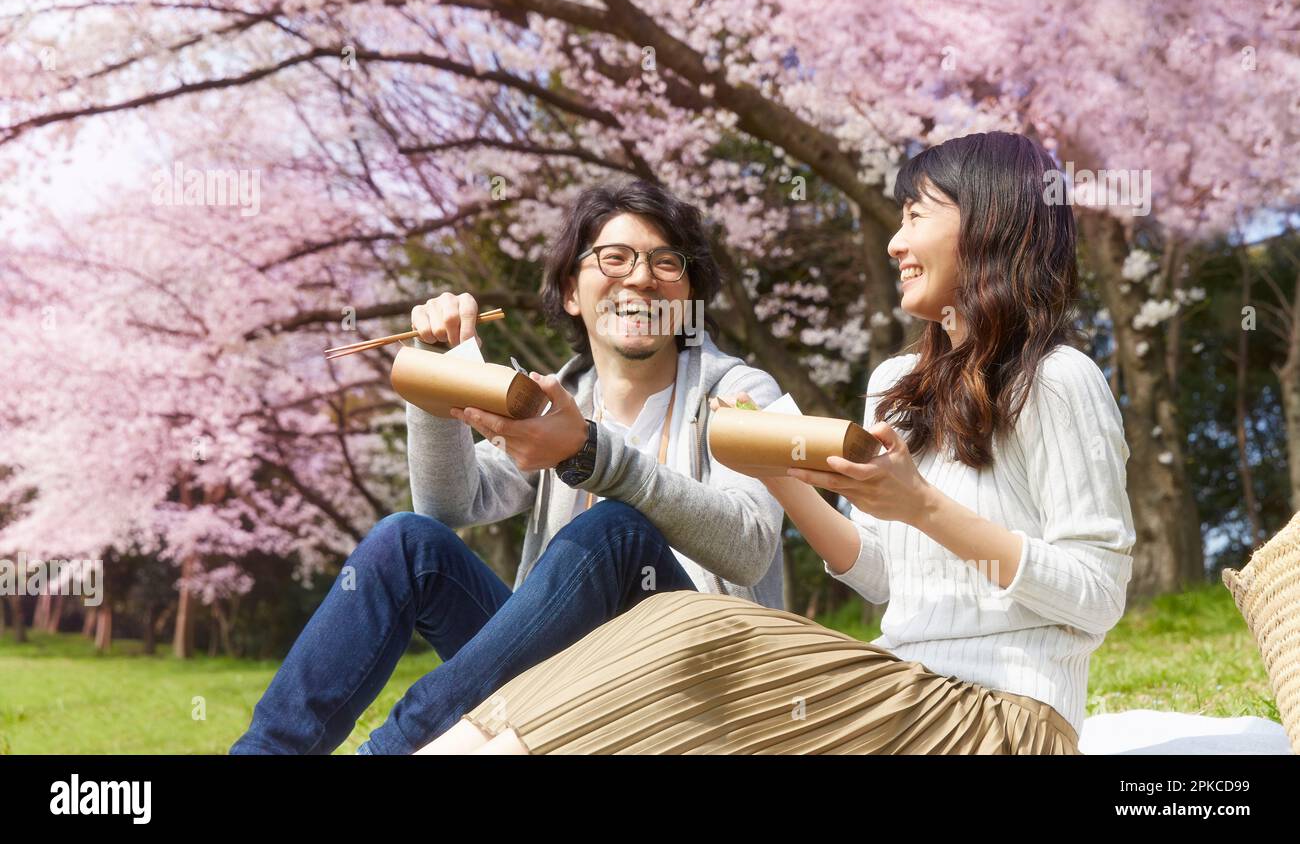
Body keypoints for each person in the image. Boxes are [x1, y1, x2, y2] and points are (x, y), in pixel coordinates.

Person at [415, 131, 1136, 755]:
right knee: (664, 621)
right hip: (899, 686)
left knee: (690, 621)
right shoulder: (898, 382)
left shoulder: (1056, 380)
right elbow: (884, 577)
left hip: (1002, 718)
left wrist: (921, 505)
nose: (895, 241)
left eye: (916, 215)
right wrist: (781, 473)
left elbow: (1098, 593)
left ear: (990, 224)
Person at [230, 180, 785, 755]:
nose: (640, 278)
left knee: (616, 531)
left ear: (690, 293)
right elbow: (450, 507)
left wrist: (590, 454)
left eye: (666, 263)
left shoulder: (742, 393)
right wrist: (442, 375)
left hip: (693, 694)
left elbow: (750, 545)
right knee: (406, 542)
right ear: (572, 290)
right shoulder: (554, 399)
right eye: (615, 258)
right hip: (561, 689)